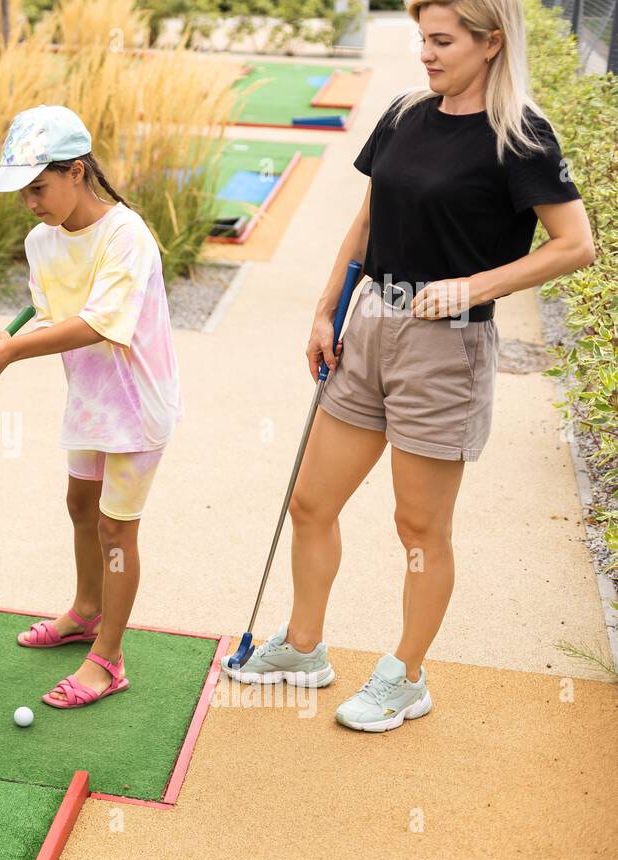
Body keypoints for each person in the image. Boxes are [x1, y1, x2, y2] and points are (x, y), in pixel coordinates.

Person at [223, 0, 596, 732]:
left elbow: (575, 244)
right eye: (423, 37)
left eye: (442, 41)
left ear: (491, 44)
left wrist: (476, 285)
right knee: (310, 502)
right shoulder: (404, 113)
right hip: (367, 329)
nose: (425, 53)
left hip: (445, 348)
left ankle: (407, 676)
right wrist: (327, 306)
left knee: (419, 529)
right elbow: (367, 219)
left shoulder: (519, 135)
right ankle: (304, 650)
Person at [0, 104, 182, 709]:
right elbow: (51, 313)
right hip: (89, 399)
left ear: (77, 172)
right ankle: (87, 611)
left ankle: (109, 659)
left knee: (117, 527)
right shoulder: (42, 242)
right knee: (80, 504)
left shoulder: (126, 236)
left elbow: (97, 324)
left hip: (138, 404)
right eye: (22, 192)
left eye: (38, 188)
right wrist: (1, 341)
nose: (30, 204)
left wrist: (12, 353)